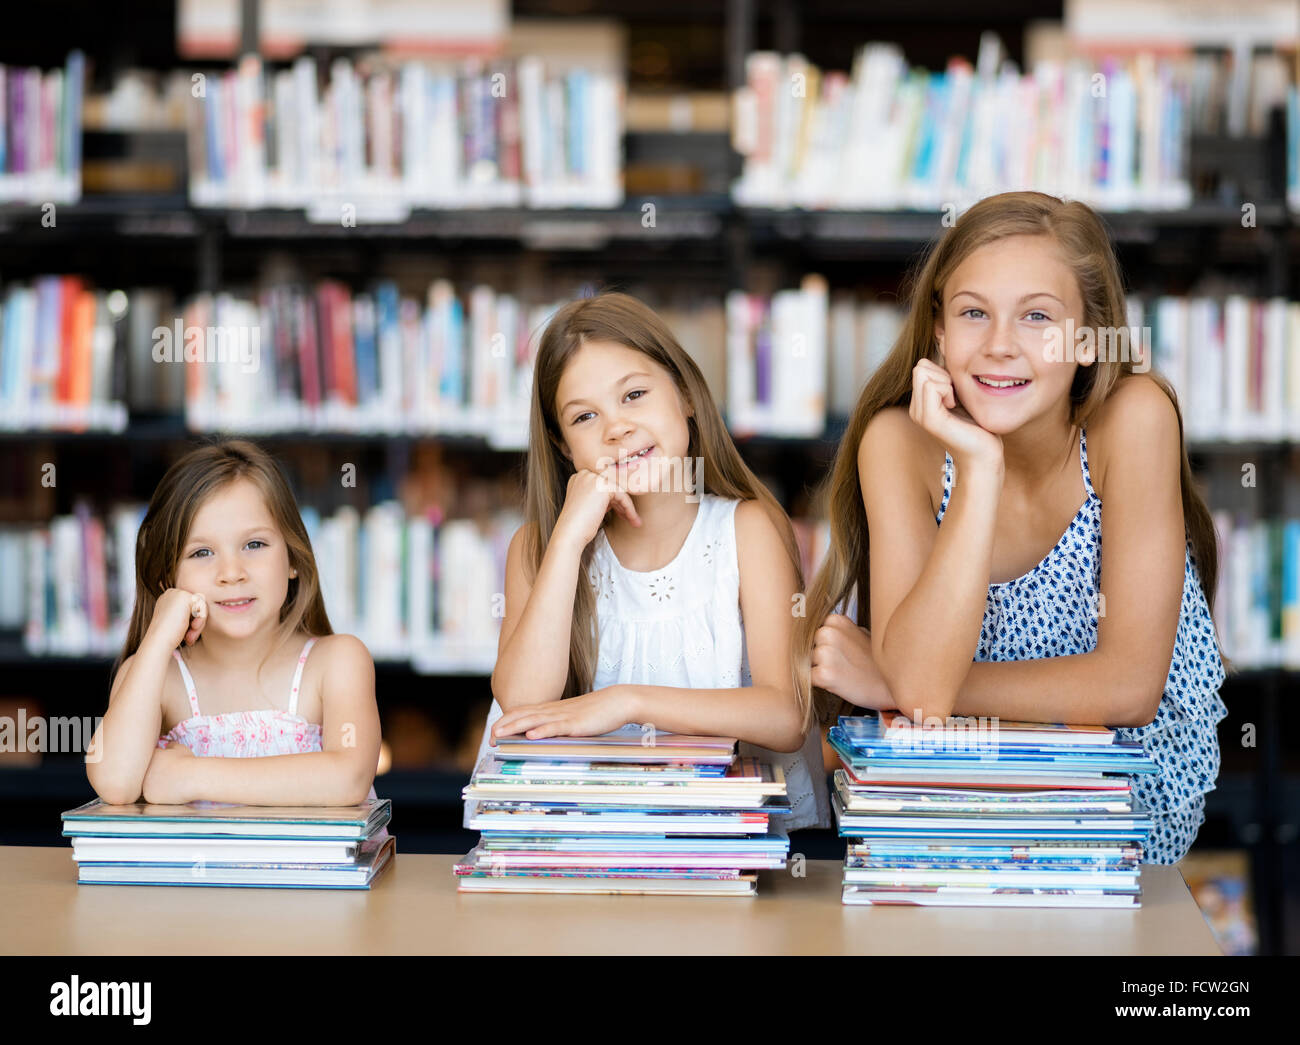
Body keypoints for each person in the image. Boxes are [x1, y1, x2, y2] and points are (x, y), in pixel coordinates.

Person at [799, 190, 1228, 864]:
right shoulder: (900, 441)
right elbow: (923, 686)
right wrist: (977, 468)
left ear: (1087, 339)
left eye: (1036, 317)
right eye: (974, 313)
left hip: (1117, 794)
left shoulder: (1133, 419)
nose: (1000, 346)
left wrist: (889, 684)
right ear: (939, 330)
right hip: (959, 784)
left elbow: (1128, 689)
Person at [469, 291, 831, 834]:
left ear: (685, 394)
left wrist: (628, 702)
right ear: (564, 446)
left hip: (715, 841)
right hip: (576, 842)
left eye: (634, 394)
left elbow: (785, 716)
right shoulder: (539, 547)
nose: (616, 428)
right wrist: (568, 540)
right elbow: (521, 701)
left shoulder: (747, 530)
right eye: (585, 416)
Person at [87, 440, 382, 811]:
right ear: (167, 577)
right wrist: (158, 636)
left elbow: (349, 778)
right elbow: (115, 783)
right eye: (202, 553)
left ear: (293, 558)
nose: (231, 573)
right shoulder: (155, 676)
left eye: (255, 544)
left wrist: (190, 776)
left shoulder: (337, 661)